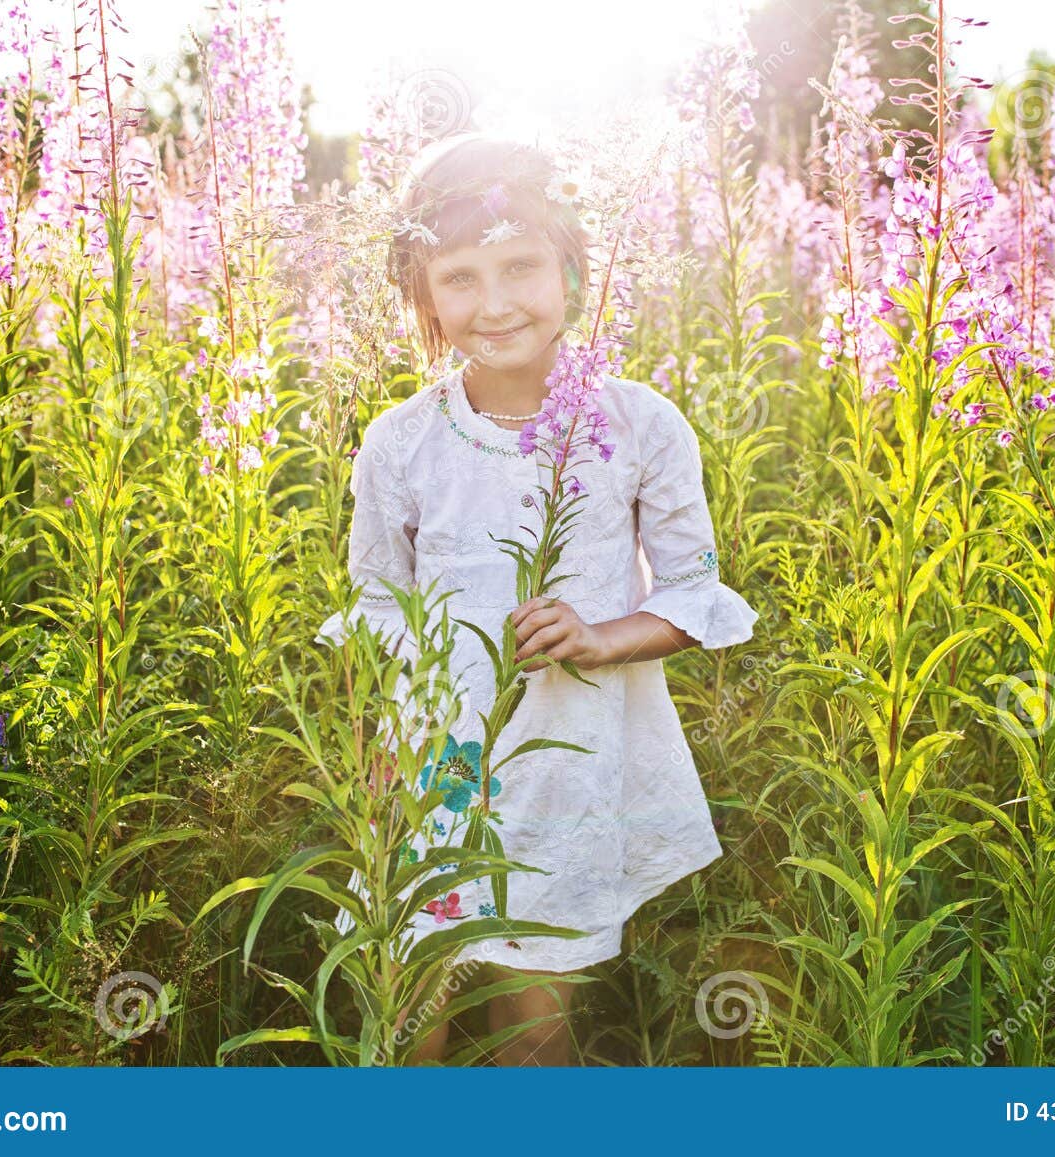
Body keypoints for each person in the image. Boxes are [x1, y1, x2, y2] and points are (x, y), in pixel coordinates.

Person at [317, 131, 758, 1066]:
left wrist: (602, 636)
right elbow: (376, 602)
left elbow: (691, 587)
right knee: (411, 995)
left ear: (571, 266)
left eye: (521, 266)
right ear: (422, 295)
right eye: (460, 278)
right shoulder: (402, 441)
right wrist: (405, 724)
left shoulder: (639, 423)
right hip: (436, 755)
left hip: (570, 760)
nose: (497, 302)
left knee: (537, 1009)